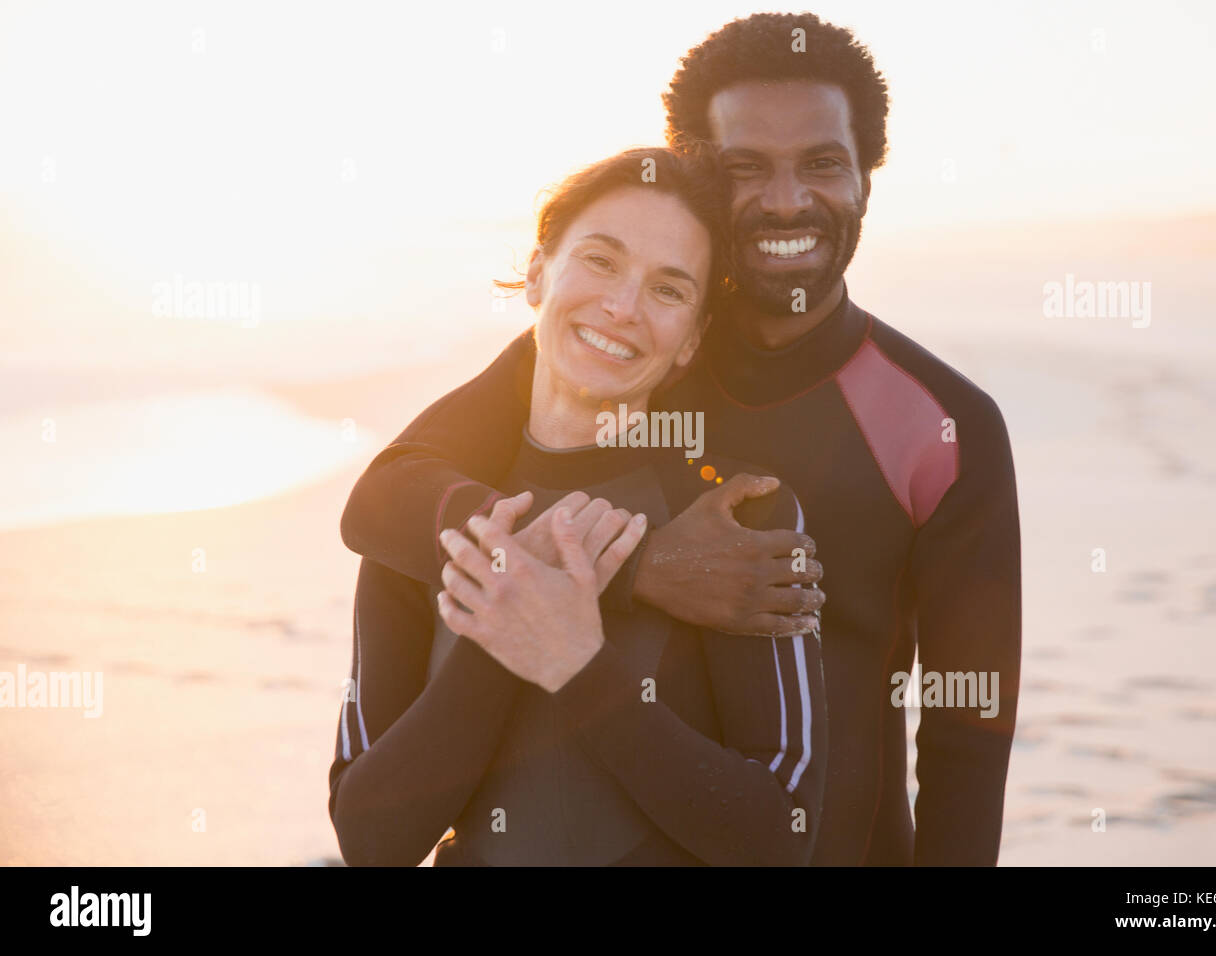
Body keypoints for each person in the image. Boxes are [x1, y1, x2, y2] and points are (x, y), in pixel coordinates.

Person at [338, 12, 1022, 866]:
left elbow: (968, 737)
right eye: (746, 167)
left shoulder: (941, 423)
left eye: (823, 164)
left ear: (866, 178)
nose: (785, 200)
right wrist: (643, 567)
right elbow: (383, 499)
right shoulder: (622, 352)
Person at [329, 145, 828, 866]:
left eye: (669, 289)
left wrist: (578, 666)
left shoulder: (738, 516)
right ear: (537, 274)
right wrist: (511, 631)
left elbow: (779, 838)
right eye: (599, 261)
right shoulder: (431, 514)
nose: (622, 307)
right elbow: (372, 840)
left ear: (692, 340)